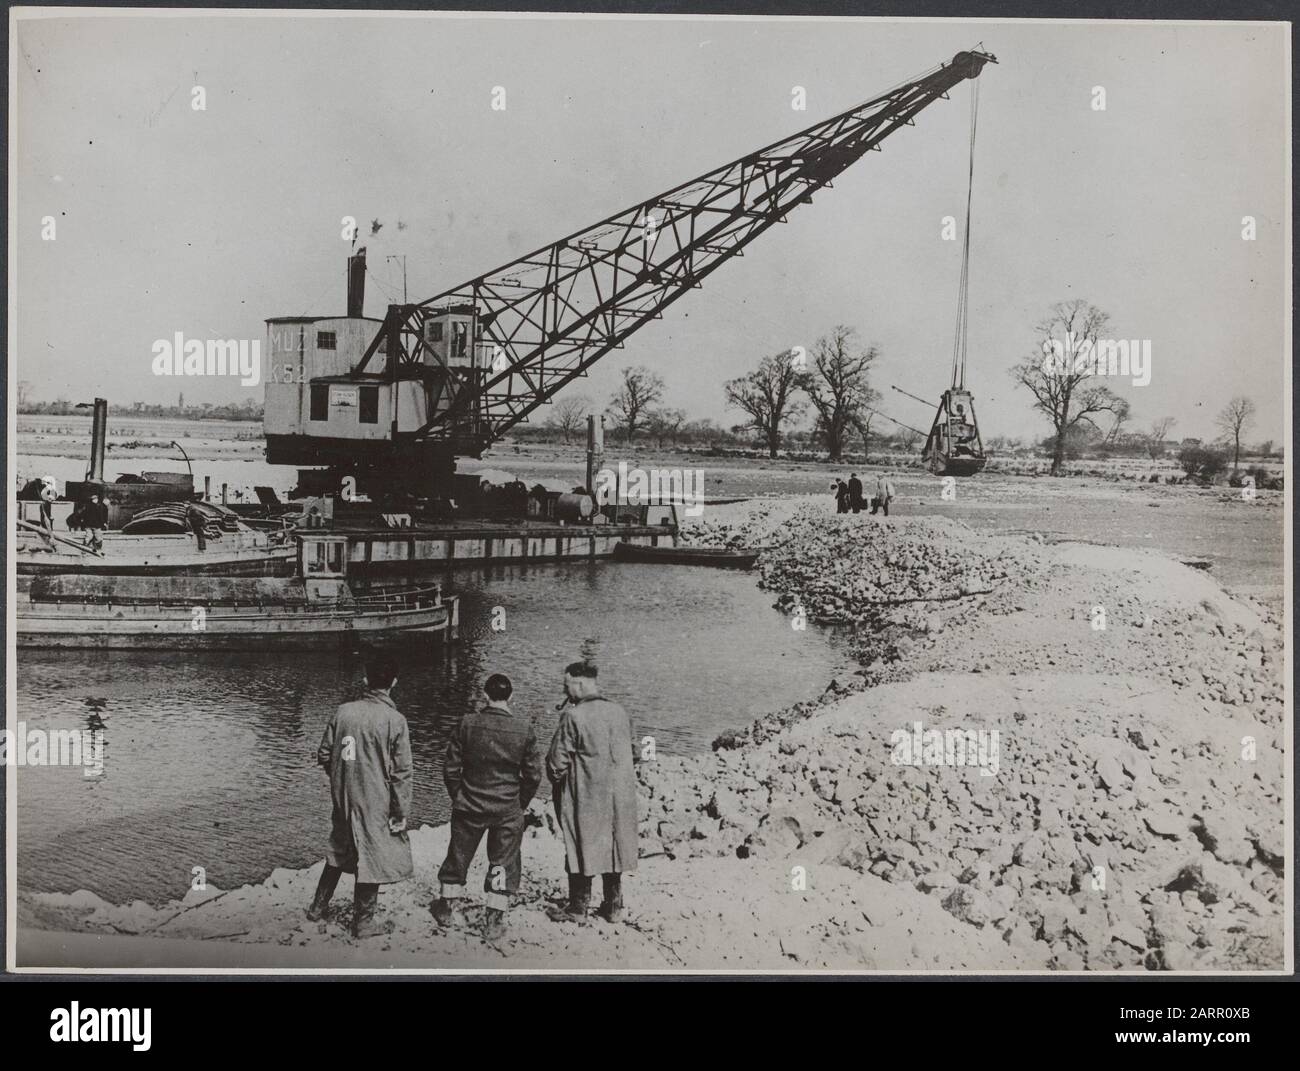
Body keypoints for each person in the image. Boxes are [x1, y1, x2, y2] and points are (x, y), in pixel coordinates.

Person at [307, 652, 414, 938]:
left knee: (340, 846)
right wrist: (400, 812)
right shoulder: (395, 720)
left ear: (366, 680)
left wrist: (341, 778)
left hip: (343, 795)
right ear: (394, 682)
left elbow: (324, 754)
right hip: (374, 798)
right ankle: (364, 921)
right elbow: (402, 773)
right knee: (371, 853)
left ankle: (317, 907)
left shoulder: (343, 711)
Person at [430, 673, 542, 942]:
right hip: (506, 807)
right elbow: (534, 775)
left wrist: (459, 795)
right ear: (510, 697)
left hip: (469, 803)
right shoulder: (524, 729)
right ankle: (493, 918)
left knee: (458, 854)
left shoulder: (468, 723)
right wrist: (519, 803)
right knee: (503, 861)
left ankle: (446, 907)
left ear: (485, 695)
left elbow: (451, 768)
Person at [546, 661, 638, 922]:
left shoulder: (573, 716)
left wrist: (558, 784)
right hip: (619, 795)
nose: (565, 692)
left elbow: (556, 762)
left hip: (586, 793)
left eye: (567, 686)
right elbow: (635, 751)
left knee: (579, 842)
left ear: (579, 683)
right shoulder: (620, 711)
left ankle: (578, 907)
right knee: (613, 844)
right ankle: (613, 906)